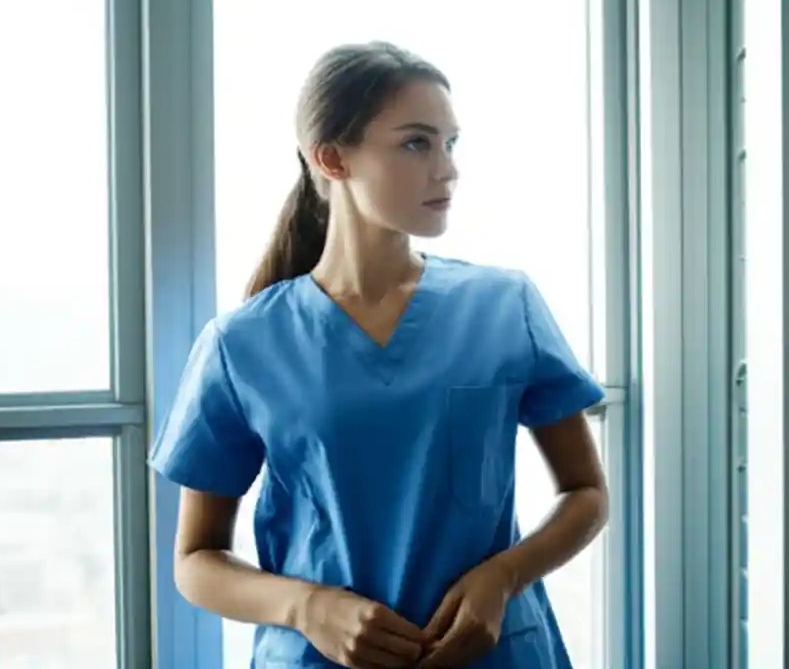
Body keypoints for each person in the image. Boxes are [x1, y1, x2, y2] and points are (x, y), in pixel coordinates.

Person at [148, 41, 609, 669]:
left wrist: (504, 577)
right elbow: (195, 562)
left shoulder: (505, 306)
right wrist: (306, 607)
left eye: (451, 144)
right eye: (417, 143)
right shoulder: (242, 344)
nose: (446, 170)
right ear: (332, 158)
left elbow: (586, 492)